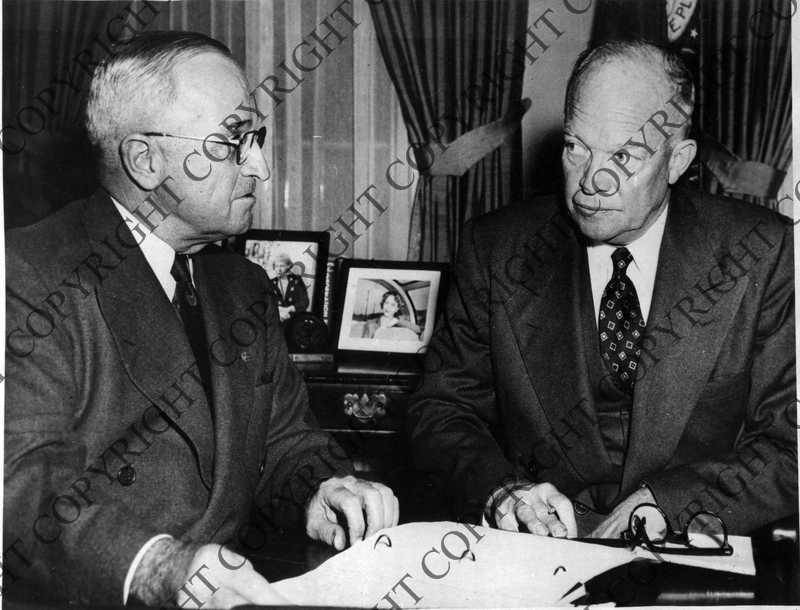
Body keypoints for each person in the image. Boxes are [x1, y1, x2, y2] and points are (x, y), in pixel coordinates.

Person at [4, 31, 398, 608]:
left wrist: (322, 488)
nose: (259, 167)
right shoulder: (27, 274)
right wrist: (159, 566)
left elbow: (285, 442)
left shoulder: (243, 286)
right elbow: (22, 489)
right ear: (144, 160)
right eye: (233, 141)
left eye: (256, 138)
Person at [407, 41, 796, 540]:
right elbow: (440, 409)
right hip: (537, 555)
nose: (592, 180)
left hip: (692, 551)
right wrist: (502, 492)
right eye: (576, 147)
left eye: (625, 155)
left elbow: (791, 443)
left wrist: (671, 504)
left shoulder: (762, 252)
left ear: (678, 161)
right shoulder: (496, 249)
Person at [265, 253, 310, 322]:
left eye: (282, 266)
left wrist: (290, 309)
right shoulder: (270, 283)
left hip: (294, 319)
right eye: (277, 266)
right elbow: (266, 303)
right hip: (276, 319)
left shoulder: (297, 281)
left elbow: (304, 302)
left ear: (288, 266)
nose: (279, 269)